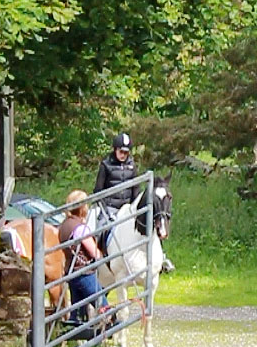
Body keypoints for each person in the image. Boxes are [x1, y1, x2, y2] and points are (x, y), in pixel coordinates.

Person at [93, 132, 174, 272]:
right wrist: (105, 210)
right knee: (100, 229)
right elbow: (98, 190)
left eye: (126, 152)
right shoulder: (105, 165)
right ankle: (96, 259)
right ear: (115, 150)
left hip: (127, 207)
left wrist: (135, 207)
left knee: (152, 225)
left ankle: (161, 259)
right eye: (121, 152)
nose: (123, 155)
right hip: (110, 208)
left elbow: (135, 190)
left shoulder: (132, 166)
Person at [58, 190, 108, 324]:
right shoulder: (80, 228)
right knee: (104, 306)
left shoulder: (64, 225)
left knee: (77, 314)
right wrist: (104, 256)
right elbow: (94, 253)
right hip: (85, 273)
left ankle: (75, 339)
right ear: (82, 208)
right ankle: (104, 334)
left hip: (71, 272)